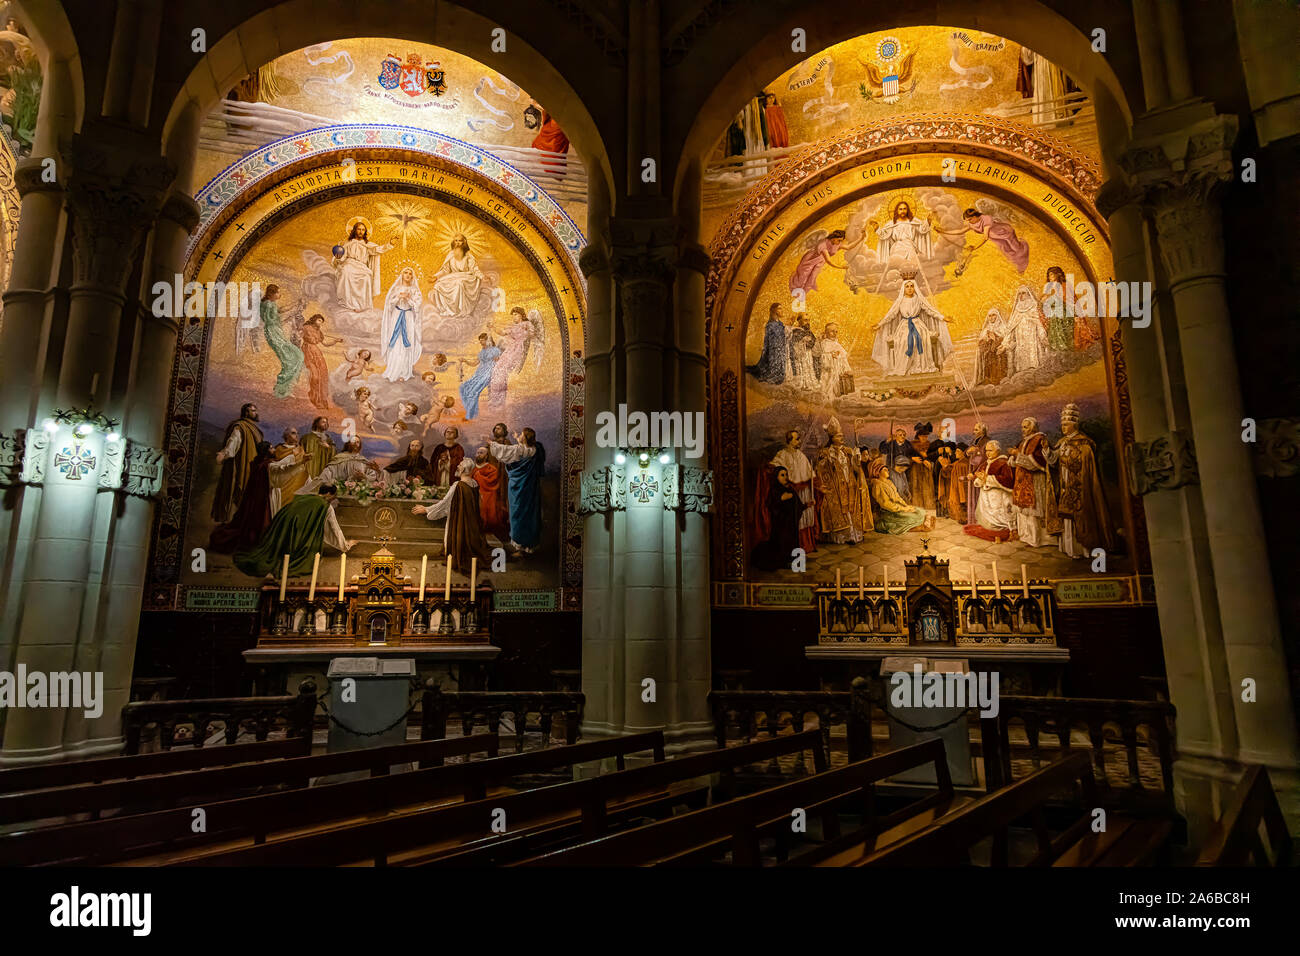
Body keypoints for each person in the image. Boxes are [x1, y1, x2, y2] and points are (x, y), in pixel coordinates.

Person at [234, 484, 354, 577]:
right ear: (328, 493)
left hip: (282, 522)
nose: (334, 499)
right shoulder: (325, 506)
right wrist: (345, 546)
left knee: (277, 551)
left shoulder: (306, 497)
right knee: (296, 559)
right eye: (334, 496)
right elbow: (334, 529)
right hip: (293, 527)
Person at [1048, 402, 1116, 558]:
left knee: (1081, 515)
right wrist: (1047, 452)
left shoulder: (1084, 443)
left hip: (1080, 485)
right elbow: (1053, 460)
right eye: (1062, 425)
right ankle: (1070, 549)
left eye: (1066, 424)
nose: (1063, 428)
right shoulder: (1062, 442)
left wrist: (1071, 463)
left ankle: (1085, 549)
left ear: (1074, 425)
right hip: (1065, 484)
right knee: (1067, 517)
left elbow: (1085, 463)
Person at [412, 459, 492, 572]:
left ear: (463, 469)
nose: (457, 467)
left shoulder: (458, 485)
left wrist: (426, 509)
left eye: (459, 465)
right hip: (472, 523)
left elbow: (445, 503)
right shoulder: (474, 483)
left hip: (460, 521)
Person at [870, 277, 953, 376]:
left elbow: (929, 310)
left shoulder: (918, 299)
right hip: (905, 325)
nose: (909, 288)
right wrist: (880, 324)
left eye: (912, 286)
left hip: (917, 324)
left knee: (922, 338)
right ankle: (905, 366)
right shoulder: (900, 301)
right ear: (903, 288)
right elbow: (891, 315)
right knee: (904, 339)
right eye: (907, 286)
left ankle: (920, 365)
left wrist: (942, 317)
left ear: (915, 288)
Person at [209, 441, 275, 553]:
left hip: (254, 496)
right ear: (266, 451)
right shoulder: (265, 464)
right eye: (272, 448)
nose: (274, 450)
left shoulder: (259, 462)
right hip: (259, 497)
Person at [813, 418, 870, 544]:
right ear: (832, 438)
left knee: (851, 509)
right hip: (835, 486)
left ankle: (853, 536)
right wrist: (827, 462)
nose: (842, 438)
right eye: (839, 436)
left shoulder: (847, 451)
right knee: (839, 509)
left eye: (842, 436)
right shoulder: (826, 452)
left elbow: (855, 467)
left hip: (849, 483)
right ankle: (842, 537)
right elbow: (820, 469)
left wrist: (856, 458)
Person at [489, 428, 546, 554]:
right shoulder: (535, 450)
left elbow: (505, 451)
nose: (518, 435)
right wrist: (518, 439)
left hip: (519, 488)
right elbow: (524, 450)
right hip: (531, 488)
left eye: (521, 435)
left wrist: (490, 443)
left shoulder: (518, 450)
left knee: (518, 514)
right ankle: (529, 546)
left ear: (525, 438)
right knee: (530, 514)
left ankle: (520, 546)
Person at [1011, 416, 1059, 547]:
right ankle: (1026, 536)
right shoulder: (1024, 441)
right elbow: (1017, 460)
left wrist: (1018, 455)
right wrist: (1013, 457)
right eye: (1022, 427)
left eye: (1026, 427)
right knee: (1023, 512)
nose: (1023, 429)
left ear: (1033, 427)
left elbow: (1037, 462)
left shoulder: (1039, 440)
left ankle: (1038, 539)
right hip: (1022, 480)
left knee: (1034, 511)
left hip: (1035, 480)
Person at [212, 402, 263, 523]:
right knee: (239, 493)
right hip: (243, 466)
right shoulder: (240, 427)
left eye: (256, 410)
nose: (256, 413)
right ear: (246, 412)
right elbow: (233, 442)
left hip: (252, 467)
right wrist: (224, 453)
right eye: (253, 410)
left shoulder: (254, 429)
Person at [332, 220, 393, 312]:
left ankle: (362, 305)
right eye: (359, 229)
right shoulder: (348, 243)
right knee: (345, 272)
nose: (361, 231)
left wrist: (390, 244)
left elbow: (378, 249)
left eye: (363, 230)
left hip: (361, 266)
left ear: (365, 232)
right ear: (354, 230)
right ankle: (347, 302)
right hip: (349, 263)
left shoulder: (367, 245)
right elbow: (342, 257)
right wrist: (339, 258)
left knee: (367, 276)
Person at [750, 466, 803, 571]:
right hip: (781, 525)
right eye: (782, 475)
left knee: (792, 542)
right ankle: (782, 561)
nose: (785, 477)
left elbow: (798, 505)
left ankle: (791, 561)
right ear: (776, 477)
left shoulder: (790, 489)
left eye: (786, 475)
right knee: (781, 542)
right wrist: (781, 498)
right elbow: (771, 505)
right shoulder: (775, 490)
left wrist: (807, 505)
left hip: (791, 524)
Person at [379, 266, 425, 382]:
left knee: (407, 342)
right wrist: (399, 297)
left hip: (408, 317)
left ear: (412, 276)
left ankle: (404, 372)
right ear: (402, 275)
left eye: (410, 273)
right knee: (395, 342)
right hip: (396, 316)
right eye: (406, 272)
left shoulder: (415, 290)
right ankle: (392, 370)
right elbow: (389, 305)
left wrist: (409, 299)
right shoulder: (396, 288)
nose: (408, 275)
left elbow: (417, 306)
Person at [259, 285, 303, 398]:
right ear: (271, 294)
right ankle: (281, 390)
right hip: (274, 333)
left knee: (294, 357)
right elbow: (270, 320)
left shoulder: (271, 303)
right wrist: (287, 318)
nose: (280, 295)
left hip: (276, 332)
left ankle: (284, 389)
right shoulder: (268, 304)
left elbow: (280, 310)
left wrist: (295, 304)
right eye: (278, 293)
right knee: (291, 358)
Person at [429, 234, 486, 319]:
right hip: (453, 277)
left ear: (464, 242)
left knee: (459, 284)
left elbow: (474, 270)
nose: (458, 243)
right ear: (453, 242)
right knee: (438, 285)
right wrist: (436, 277)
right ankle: (447, 310)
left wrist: (482, 277)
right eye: (456, 240)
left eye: (460, 241)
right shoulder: (451, 255)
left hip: (467, 278)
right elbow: (445, 270)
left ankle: (460, 311)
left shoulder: (468, 256)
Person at [969, 440, 1017, 539]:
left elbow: (1008, 480)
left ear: (998, 450)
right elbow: (980, 477)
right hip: (985, 497)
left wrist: (987, 479)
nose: (988, 453)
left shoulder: (1003, 463)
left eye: (990, 450)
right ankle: (991, 530)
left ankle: (1004, 531)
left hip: (998, 496)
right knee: (986, 522)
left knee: (999, 520)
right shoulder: (986, 463)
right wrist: (980, 479)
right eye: (986, 451)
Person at [868, 457, 928, 535]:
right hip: (888, 512)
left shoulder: (889, 482)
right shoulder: (878, 485)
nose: (888, 471)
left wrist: (906, 506)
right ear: (878, 472)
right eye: (885, 470)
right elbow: (885, 504)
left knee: (920, 511)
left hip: (897, 508)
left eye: (887, 469)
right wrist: (903, 509)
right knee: (913, 517)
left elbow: (897, 497)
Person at [303, 438, 384, 494]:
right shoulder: (340, 458)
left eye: (358, 442)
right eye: (353, 441)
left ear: (360, 445)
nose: (355, 443)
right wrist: (323, 479)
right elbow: (329, 471)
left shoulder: (364, 461)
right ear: (348, 444)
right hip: (340, 491)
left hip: (359, 491)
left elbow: (373, 476)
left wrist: (364, 477)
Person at [1000, 286, 1049, 376]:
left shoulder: (1034, 307)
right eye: (1019, 294)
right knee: (1022, 368)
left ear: (1028, 294)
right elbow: (1011, 328)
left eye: (1023, 293)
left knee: (1035, 364)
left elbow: (1039, 323)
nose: (1021, 296)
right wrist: (1005, 343)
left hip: (1033, 338)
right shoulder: (1017, 310)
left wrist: (1043, 336)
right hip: (1020, 340)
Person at [470, 445, 511, 542]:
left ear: (486, 456)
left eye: (481, 453)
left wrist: (479, 476)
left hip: (488, 492)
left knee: (486, 504)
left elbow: (492, 482)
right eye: (478, 453)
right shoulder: (472, 468)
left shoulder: (492, 469)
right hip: (474, 493)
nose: (478, 455)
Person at [300, 313, 341, 408]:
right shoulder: (306, 327)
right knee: (315, 376)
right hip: (308, 351)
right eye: (319, 320)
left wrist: (336, 341)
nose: (320, 323)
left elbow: (325, 344)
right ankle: (314, 396)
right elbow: (300, 335)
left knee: (322, 375)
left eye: (321, 321)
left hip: (316, 352)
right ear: (314, 319)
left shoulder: (319, 331)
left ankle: (321, 399)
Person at [459, 332, 502, 420]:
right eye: (480, 341)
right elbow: (474, 363)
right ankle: (472, 411)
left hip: (488, 373)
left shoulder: (495, 350)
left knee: (474, 392)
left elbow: (500, 362)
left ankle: (470, 416)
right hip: (479, 373)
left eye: (483, 341)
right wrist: (465, 361)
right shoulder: (481, 352)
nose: (482, 343)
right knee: (463, 387)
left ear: (488, 340)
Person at [269, 427, 309, 515]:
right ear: (286, 436)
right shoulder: (279, 449)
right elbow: (276, 467)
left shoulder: (300, 449)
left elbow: (304, 467)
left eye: (297, 433)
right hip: (284, 483)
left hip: (298, 483)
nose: (297, 435)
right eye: (293, 433)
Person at [747, 303, 789, 385]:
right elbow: (768, 340)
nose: (782, 311)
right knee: (772, 370)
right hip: (774, 350)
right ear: (774, 310)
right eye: (779, 308)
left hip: (781, 350)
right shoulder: (770, 325)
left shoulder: (780, 324)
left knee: (780, 372)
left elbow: (784, 335)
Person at [814, 322, 853, 402]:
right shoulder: (824, 344)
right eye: (832, 331)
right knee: (828, 391)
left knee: (838, 390)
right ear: (826, 332)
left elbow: (843, 358)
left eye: (836, 331)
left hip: (838, 373)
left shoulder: (837, 344)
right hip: (828, 373)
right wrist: (831, 356)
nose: (834, 334)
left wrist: (847, 369)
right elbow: (822, 360)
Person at [974, 307, 1010, 386]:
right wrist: (986, 340)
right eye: (989, 316)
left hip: (1000, 354)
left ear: (997, 316)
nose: (991, 318)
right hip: (989, 355)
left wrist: (995, 338)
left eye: (993, 315)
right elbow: (980, 343)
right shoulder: (986, 329)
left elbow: (1007, 339)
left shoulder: (1003, 327)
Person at [1042, 266, 1074, 352]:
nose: (1050, 277)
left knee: (1059, 326)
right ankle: (1056, 347)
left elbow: (1068, 299)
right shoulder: (1049, 286)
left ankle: (1063, 346)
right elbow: (1045, 299)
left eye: (1052, 275)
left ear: (1057, 274)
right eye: (1049, 275)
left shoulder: (1064, 285)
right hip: (1053, 312)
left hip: (1063, 311)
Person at [908, 422, 937, 511]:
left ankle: (928, 509)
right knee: (916, 489)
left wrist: (928, 461)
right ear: (918, 436)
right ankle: (917, 509)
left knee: (927, 489)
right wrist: (913, 459)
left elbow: (931, 456)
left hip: (926, 470)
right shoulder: (912, 445)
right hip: (915, 470)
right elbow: (907, 456)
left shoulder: (929, 444)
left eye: (926, 436)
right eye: (923, 436)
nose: (925, 438)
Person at [965, 423, 990, 524]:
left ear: (982, 431)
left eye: (976, 430)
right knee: (972, 495)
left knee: (980, 496)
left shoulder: (987, 441)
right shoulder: (974, 440)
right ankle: (972, 520)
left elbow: (984, 459)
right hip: (972, 469)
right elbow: (967, 452)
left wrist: (975, 473)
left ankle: (981, 521)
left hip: (980, 471)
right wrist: (968, 452)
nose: (973, 432)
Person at [787, 315, 818, 389]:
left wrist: (809, 342)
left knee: (809, 368)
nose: (808, 322)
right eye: (805, 320)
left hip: (808, 354)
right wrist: (803, 341)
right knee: (801, 369)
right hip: (800, 356)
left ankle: (808, 384)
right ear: (799, 321)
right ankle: (802, 384)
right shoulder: (796, 331)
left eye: (808, 320)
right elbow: (793, 343)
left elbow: (814, 341)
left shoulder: (809, 332)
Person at [948, 442, 970, 523]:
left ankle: (964, 518)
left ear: (963, 453)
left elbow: (962, 483)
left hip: (959, 491)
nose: (955, 453)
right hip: (957, 489)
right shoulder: (959, 462)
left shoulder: (962, 464)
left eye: (957, 451)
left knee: (962, 505)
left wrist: (962, 497)